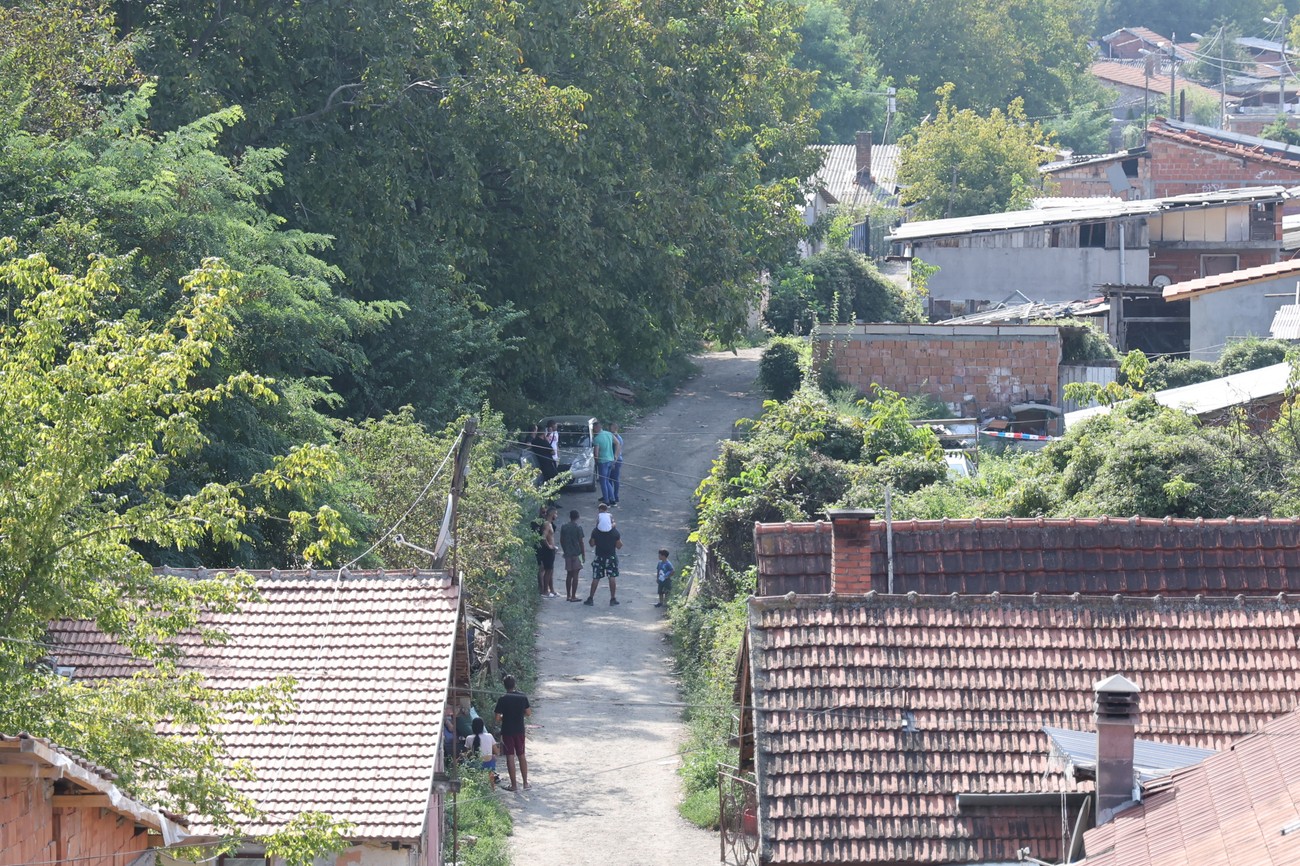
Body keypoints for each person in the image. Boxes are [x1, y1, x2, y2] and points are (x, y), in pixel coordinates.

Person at [494, 675, 532, 791]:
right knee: (521, 755)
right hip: (519, 730)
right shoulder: (522, 696)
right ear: (514, 684)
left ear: (504, 685)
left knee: (510, 756)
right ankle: (525, 783)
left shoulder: (502, 699)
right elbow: (528, 713)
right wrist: (520, 714)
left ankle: (514, 785)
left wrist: (504, 717)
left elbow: (497, 718)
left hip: (507, 731)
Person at [584, 504, 622, 606]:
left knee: (596, 577)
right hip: (611, 557)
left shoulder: (596, 531)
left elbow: (591, 544)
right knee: (612, 577)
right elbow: (619, 546)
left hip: (599, 557)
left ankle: (591, 598)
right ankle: (612, 599)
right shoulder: (614, 532)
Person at [559, 509, 586, 601]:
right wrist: (583, 554)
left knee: (569, 574)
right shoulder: (578, 528)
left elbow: (561, 540)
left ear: (570, 516)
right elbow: (581, 542)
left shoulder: (564, 527)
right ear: (578, 517)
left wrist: (565, 550)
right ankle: (573, 596)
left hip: (568, 553)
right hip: (577, 553)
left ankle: (568, 595)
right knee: (576, 575)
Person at [464, 716, 499, 786]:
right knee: (492, 757)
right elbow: (496, 752)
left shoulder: (469, 738)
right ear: (483, 726)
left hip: (476, 765)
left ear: (472, 727)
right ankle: (492, 785)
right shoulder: (489, 736)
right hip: (489, 764)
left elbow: (468, 755)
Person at [591, 420, 617, 505]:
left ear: (596, 428)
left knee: (603, 482)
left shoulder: (597, 439)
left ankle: (606, 501)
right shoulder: (609, 434)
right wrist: (615, 456)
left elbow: (596, 453)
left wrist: (596, 462)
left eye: (593, 428)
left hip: (603, 462)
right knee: (607, 481)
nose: (593, 430)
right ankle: (612, 499)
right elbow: (617, 443)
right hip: (610, 460)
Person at [538, 506, 558, 598]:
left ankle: (549, 590)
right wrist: (549, 546)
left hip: (551, 550)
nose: (556, 516)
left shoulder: (549, 523)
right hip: (548, 551)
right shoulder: (547, 524)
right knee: (548, 571)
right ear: (552, 514)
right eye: (556, 514)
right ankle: (545, 591)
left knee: (550, 570)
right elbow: (543, 537)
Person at [608, 422, 624, 506]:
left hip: (616, 460)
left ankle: (615, 496)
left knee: (614, 478)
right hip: (614, 460)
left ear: (615, 428)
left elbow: (617, 450)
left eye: (610, 427)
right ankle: (610, 495)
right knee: (610, 479)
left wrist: (614, 461)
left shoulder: (617, 438)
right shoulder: (614, 437)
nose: (609, 429)